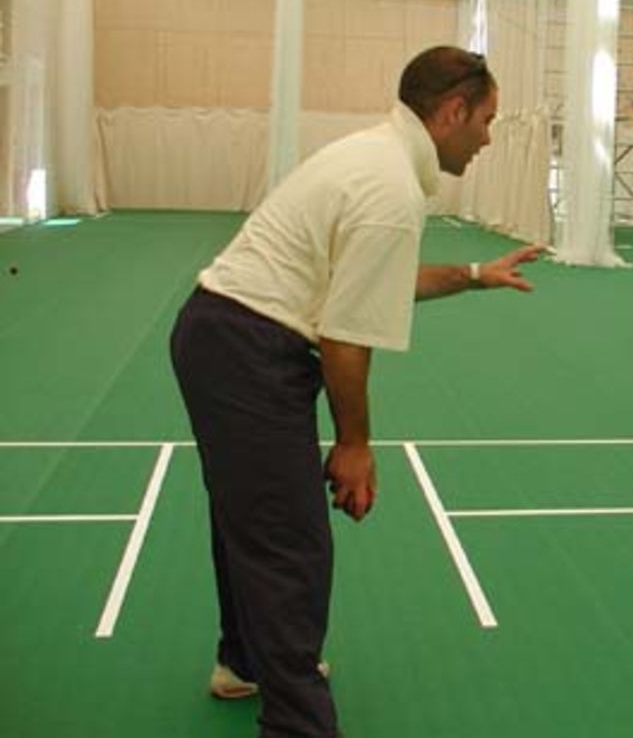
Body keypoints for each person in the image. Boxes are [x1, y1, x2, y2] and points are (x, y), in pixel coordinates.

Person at [170, 46, 541, 737]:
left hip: (225, 338)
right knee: (290, 541)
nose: (489, 138)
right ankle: (298, 723)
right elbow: (345, 334)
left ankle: (244, 660)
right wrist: (355, 446)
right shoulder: (391, 188)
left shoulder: (378, 158)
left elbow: (364, 278)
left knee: (251, 519)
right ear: (452, 112)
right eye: (486, 121)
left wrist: (472, 274)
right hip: (247, 351)